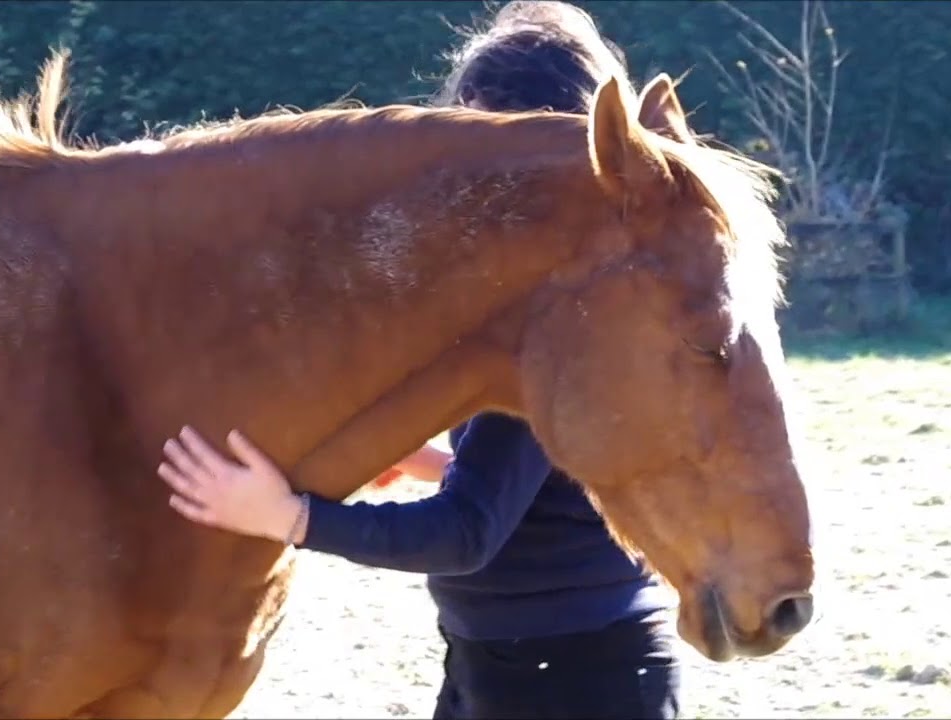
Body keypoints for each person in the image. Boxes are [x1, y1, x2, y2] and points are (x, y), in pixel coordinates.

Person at [156, 3, 682, 718]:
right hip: (503, 660)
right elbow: (542, 483)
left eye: (487, 140)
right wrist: (432, 463)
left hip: (580, 678)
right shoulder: (526, 296)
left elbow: (465, 534)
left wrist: (287, 517)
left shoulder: (564, 316)